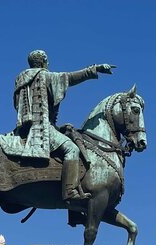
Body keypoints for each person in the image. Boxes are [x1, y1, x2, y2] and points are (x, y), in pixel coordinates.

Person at [12, 50, 115, 203]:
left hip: (26, 127)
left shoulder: (20, 80)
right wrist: (95, 69)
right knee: (72, 150)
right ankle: (70, 191)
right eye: (47, 61)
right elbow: (70, 77)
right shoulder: (43, 75)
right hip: (41, 128)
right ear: (42, 62)